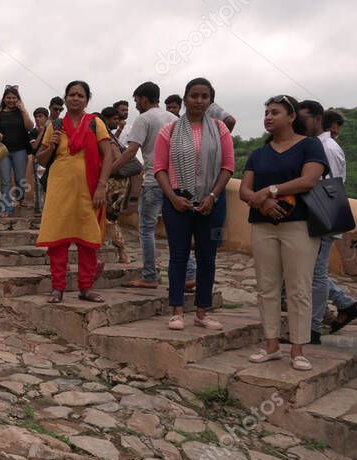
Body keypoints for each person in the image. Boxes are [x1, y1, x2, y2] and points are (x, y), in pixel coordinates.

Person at [239, 95, 328, 371]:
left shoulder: (309, 146)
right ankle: (271, 345)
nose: (268, 116)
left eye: (274, 112)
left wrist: (271, 190)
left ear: (291, 117)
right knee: (267, 286)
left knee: (299, 286)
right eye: (266, 112)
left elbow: (309, 180)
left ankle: (298, 349)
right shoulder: (259, 153)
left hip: (299, 224)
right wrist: (263, 201)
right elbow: (244, 190)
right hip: (263, 225)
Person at [153, 78, 235, 331]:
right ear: (185, 98)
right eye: (194, 96)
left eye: (204, 97)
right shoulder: (169, 131)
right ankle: (177, 310)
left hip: (212, 201)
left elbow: (228, 166)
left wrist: (212, 196)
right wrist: (173, 198)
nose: (199, 101)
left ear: (210, 101)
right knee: (178, 255)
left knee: (207, 257)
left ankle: (202, 311)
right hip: (178, 200)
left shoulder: (219, 129)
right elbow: (159, 169)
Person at [112, 81, 195, 290]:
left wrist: (111, 169)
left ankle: (150, 275)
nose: (136, 105)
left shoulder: (144, 119)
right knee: (178, 229)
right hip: (177, 182)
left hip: (153, 180)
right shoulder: (175, 119)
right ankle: (190, 273)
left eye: (137, 100)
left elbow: (131, 151)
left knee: (146, 229)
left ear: (143, 98)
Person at [36, 80, 113, 303]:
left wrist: (101, 185)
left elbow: (107, 156)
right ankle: (57, 287)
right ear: (66, 97)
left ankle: (86, 288)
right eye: (71, 94)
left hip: (89, 189)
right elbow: (40, 159)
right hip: (59, 188)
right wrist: (49, 145)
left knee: (87, 238)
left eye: (80, 95)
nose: (75, 98)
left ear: (87, 99)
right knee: (57, 239)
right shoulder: (56, 125)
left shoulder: (95, 123)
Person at [298, 99, 357, 344]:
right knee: (313, 271)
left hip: (322, 215)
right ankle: (345, 304)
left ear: (316, 119)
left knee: (316, 273)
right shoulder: (319, 145)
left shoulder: (327, 147)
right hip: (320, 214)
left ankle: (312, 329)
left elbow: (332, 185)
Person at [0, 85, 34, 216]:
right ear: (4, 99)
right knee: (5, 180)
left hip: (20, 150)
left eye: (14, 98)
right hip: (3, 151)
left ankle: (20, 199)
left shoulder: (21, 113)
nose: (11, 100)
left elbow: (30, 127)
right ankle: (7, 209)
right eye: (8, 97)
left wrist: (23, 110)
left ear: (18, 99)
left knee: (20, 178)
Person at [99, 106, 131, 264]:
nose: (117, 122)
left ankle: (122, 250)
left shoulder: (107, 138)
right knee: (107, 218)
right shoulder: (110, 136)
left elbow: (117, 157)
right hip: (117, 183)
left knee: (108, 218)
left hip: (113, 183)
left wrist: (106, 172)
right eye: (115, 119)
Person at [29, 107, 50, 214]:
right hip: (38, 161)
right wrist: (41, 133)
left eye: (40, 116)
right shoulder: (33, 132)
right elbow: (34, 146)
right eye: (36, 117)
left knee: (49, 185)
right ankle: (39, 210)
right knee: (39, 185)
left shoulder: (50, 130)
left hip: (49, 161)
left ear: (46, 118)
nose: (38, 119)